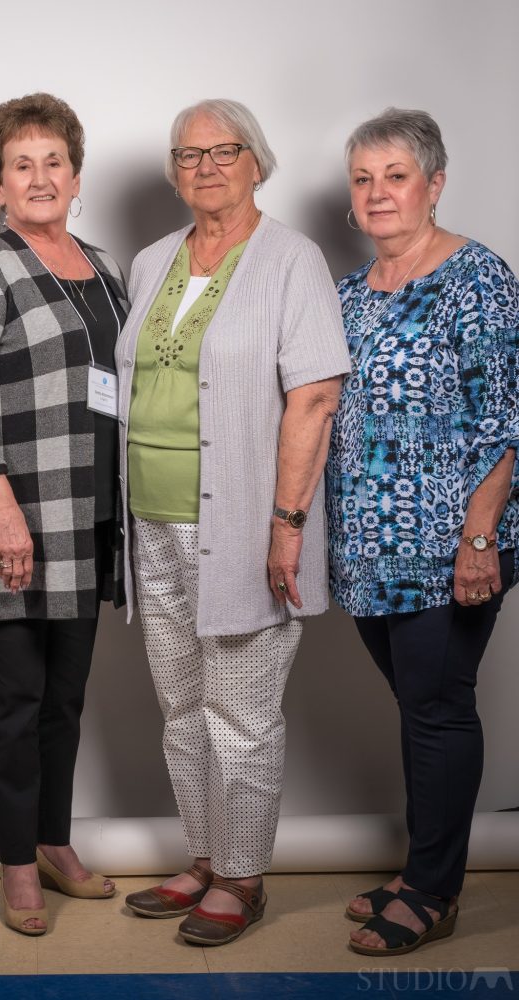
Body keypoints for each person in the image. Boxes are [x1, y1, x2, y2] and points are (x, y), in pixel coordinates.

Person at [116, 99, 350, 946]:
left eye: (225, 151)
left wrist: (287, 524)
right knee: (181, 705)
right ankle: (206, 856)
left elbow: (316, 394)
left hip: (250, 524)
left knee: (242, 711)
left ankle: (245, 876)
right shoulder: (151, 260)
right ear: (173, 171)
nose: (206, 167)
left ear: (258, 161)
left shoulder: (292, 260)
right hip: (152, 521)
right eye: (188, 154)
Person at [0, 93, 127, 935]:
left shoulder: (102, 265)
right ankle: (16, 863)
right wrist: (0, 507)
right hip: (12, 520)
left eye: (54, 161)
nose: (40, 177)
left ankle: (54, 840)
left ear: (76, 176)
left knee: (65, 698)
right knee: (13, 700)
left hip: (86, 522)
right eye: (23, 164)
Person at [327, 108, 519, 957]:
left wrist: (480, 537)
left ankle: (434, 894)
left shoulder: (480, 279)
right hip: (366, 553)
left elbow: (508, 418)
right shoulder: (346, 295)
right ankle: (417, 870)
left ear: (433, 185)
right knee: (417, 709)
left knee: (438, 709)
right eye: (363, 178)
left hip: (450, 549)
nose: (377, 193)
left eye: (394, 175)